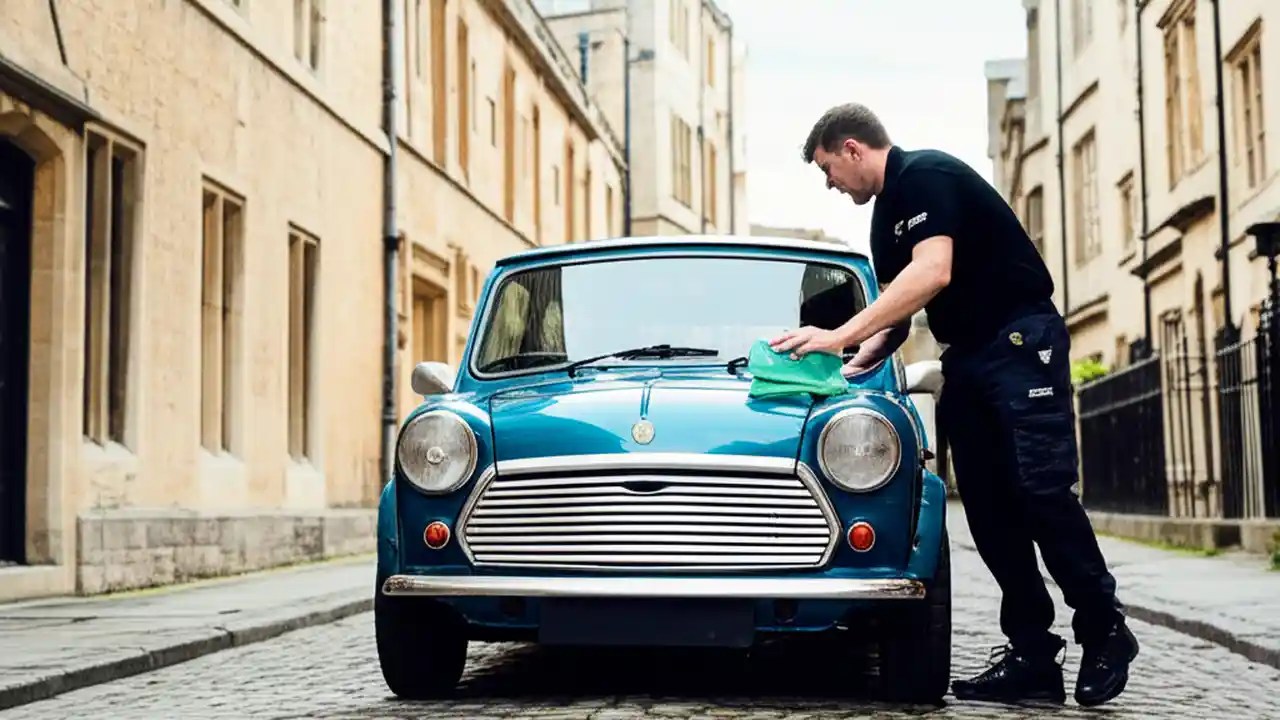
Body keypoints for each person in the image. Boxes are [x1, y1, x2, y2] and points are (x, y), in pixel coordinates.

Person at [770, 103, 1139, 707]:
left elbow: (933, 272)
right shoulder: (885, 215)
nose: (831, 184)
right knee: (989, 512)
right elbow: (900, 311)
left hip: (1021, 343)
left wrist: (837, 333)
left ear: (853, 149)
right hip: (965, 357)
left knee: (1041, 493)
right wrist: (848, 363)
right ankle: (1032, 657)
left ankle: (1104, 629)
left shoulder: (926, 176)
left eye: (828, 170)